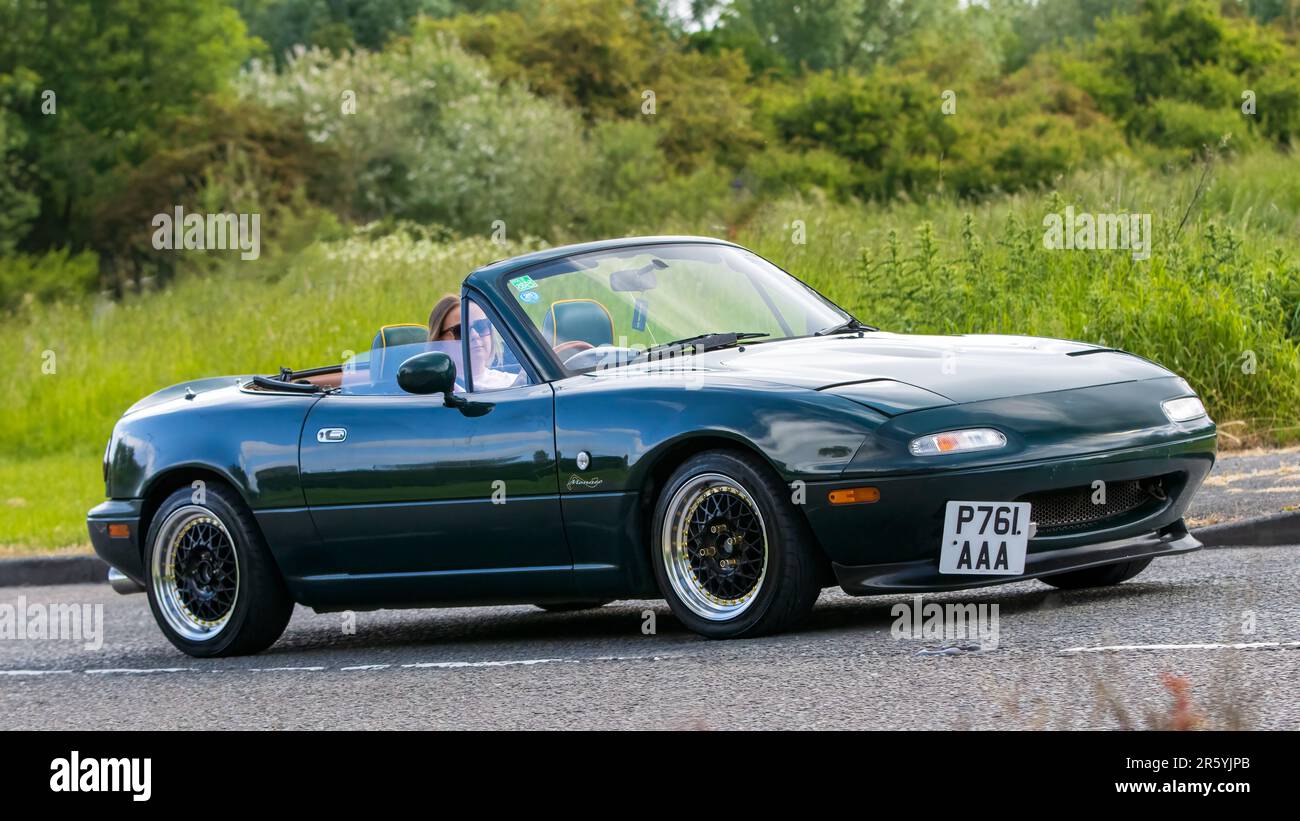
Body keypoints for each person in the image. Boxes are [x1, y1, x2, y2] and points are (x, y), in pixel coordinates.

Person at [466, 301, 522, 390]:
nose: (475, 335)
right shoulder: (444, 391)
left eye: (481, 326)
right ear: (441, 343)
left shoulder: (511, 379)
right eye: (460, 331)